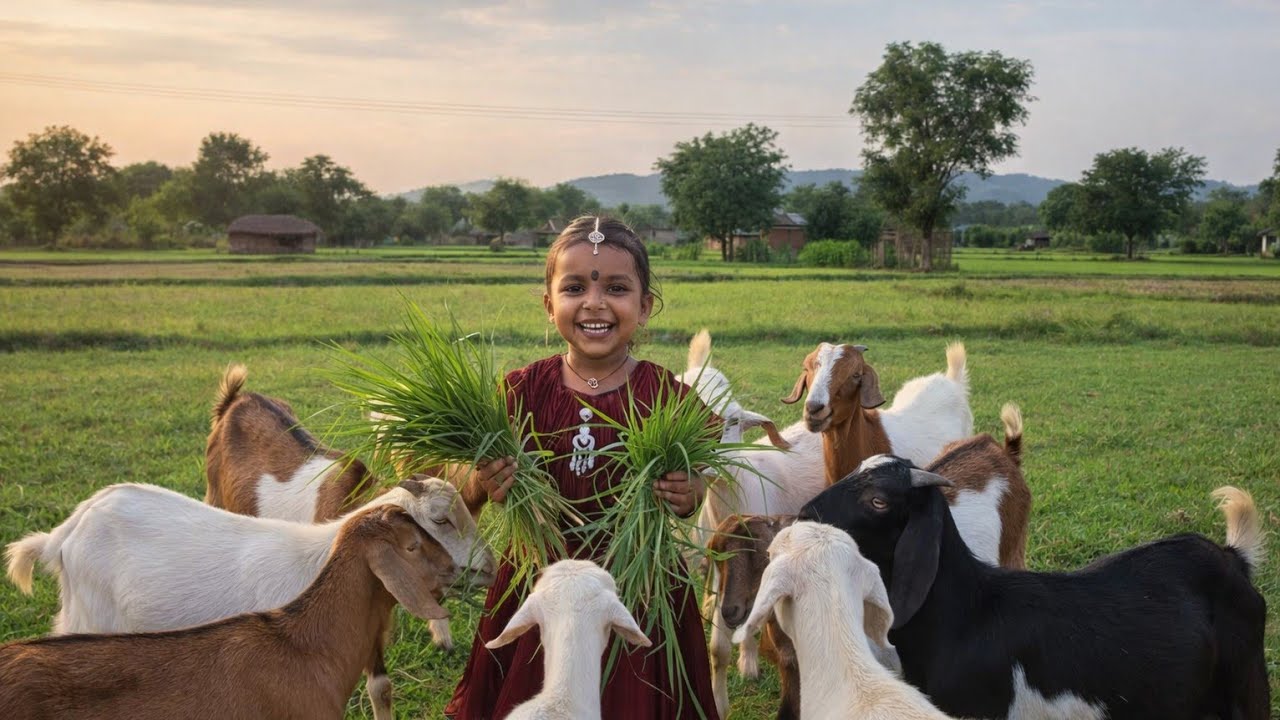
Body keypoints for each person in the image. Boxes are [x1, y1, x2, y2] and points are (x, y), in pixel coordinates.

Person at [445, 216, 720, 720]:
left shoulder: (668, 398)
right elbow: (466, 488)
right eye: (574, 287)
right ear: (550, 306)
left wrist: (689, 492)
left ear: (644, 305)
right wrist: (484, 482)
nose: (594, 303)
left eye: (616, 287)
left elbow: (698, 482)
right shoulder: (519, 391)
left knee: (634, 700)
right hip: (540, 578)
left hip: (640, 586)